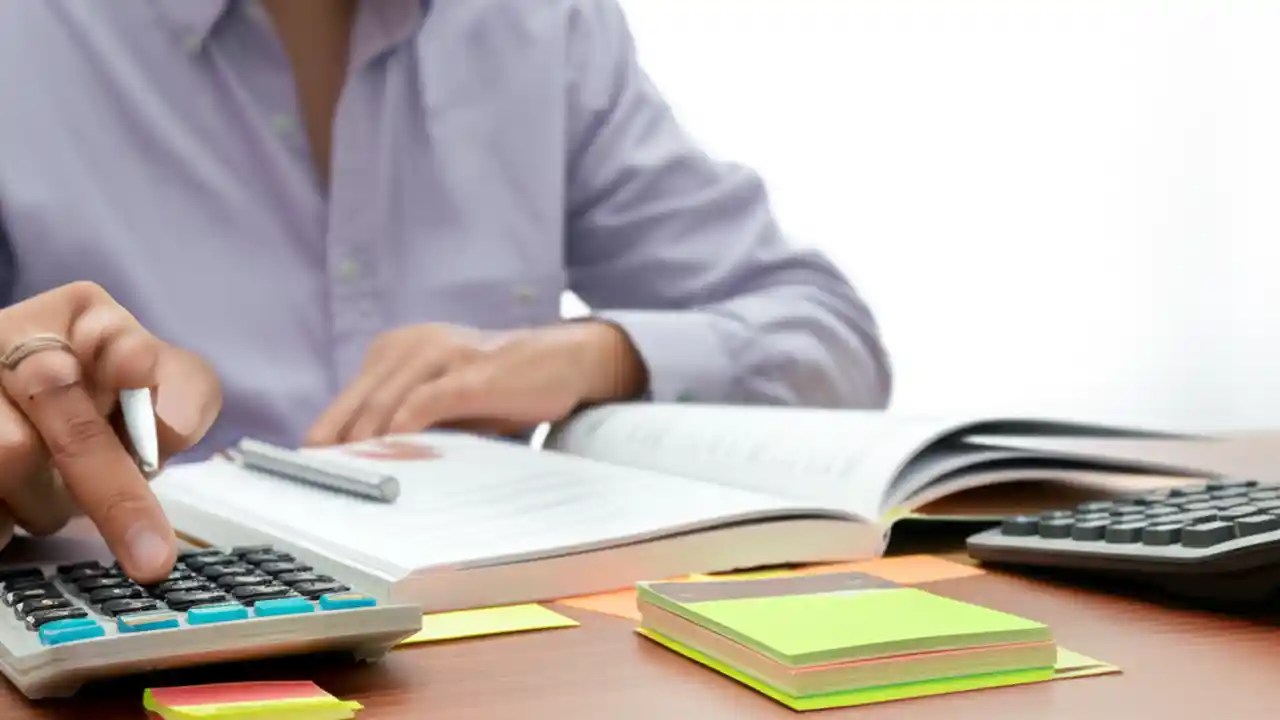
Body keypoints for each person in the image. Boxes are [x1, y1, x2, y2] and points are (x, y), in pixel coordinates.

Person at [0, 0, 892, 581]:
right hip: (145, 623)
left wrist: (592, 356)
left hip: (508, 644)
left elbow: (828, 337)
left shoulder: (542, 26)